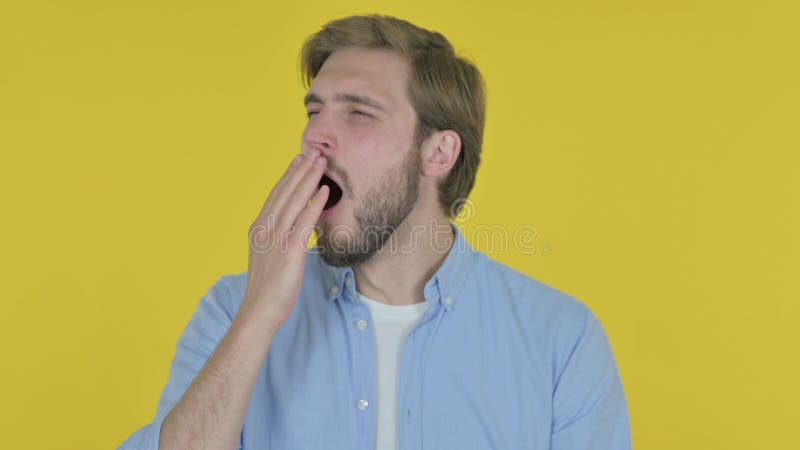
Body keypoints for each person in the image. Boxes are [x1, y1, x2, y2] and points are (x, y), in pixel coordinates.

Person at [118, 14, 631, 450]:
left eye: (358, 113)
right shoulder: (233, 310)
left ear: (438, 153)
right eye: (314, 110)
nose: (314, 136)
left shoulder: (560, 341)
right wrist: (258, 316)